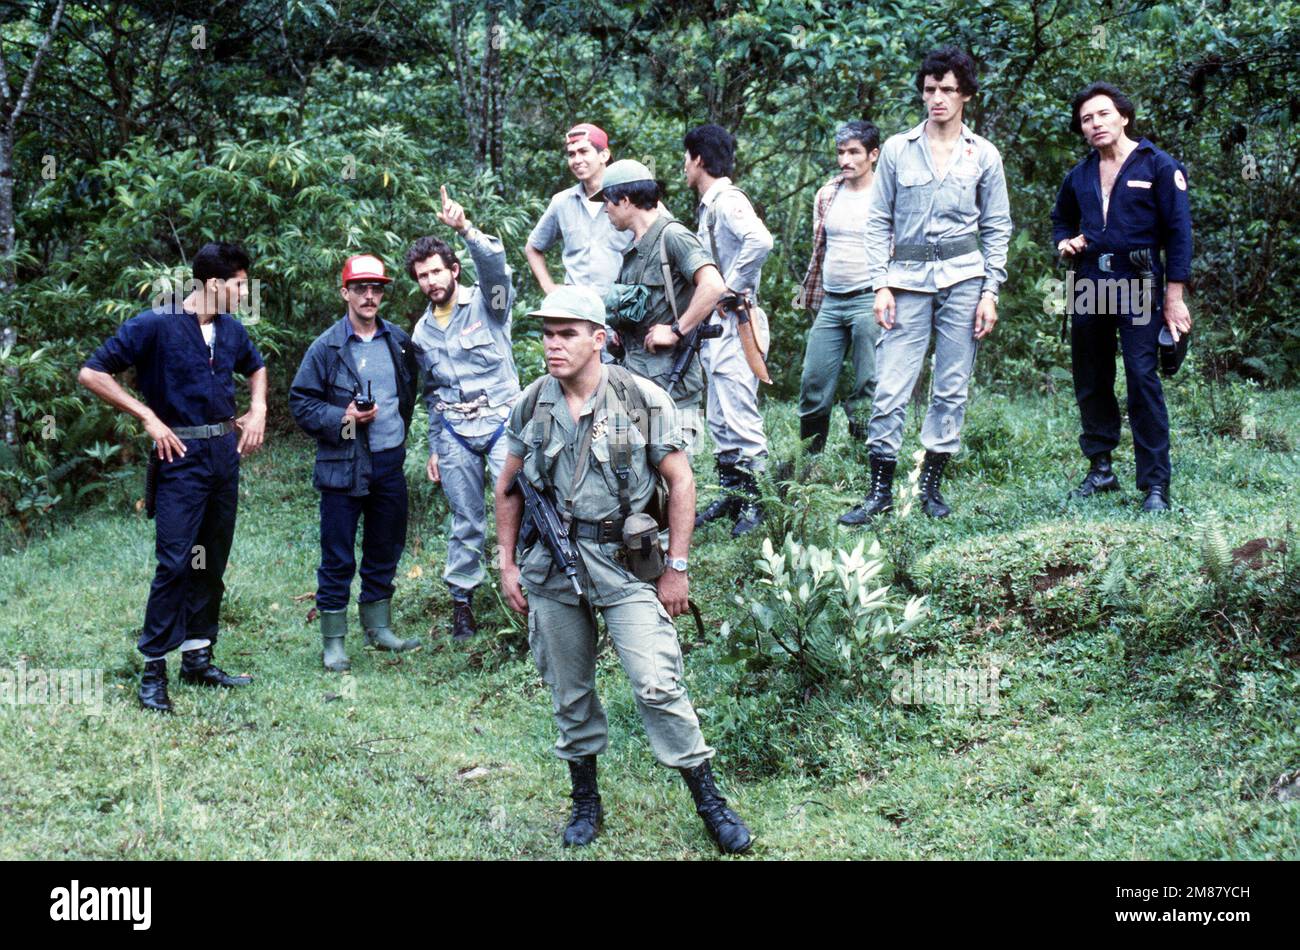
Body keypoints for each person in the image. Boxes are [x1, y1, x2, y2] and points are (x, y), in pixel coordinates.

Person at [494, 285, 753, 855]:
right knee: (568, 689)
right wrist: (507, 562)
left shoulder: (641, 397)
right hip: (553, 567)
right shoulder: (532, 401)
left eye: (567, 333)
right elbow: (509, 486)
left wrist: (677, 566)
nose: (553, 345)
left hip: (627, 564)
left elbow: (682, 481)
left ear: (599, 339)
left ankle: (708, 799)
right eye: (547, 333)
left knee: (656, 682)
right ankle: (586, 799)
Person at [78, 242, 267, 712]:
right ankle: (153, 669)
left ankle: (198, 658)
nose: (244, 293)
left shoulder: (230, 330)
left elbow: (256, 366)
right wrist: (147, 416)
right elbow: (92, 372)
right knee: (176, 563)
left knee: (211, 560)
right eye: (240, 284)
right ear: (215, 284)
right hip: (178, 456)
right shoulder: (156, 324)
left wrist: (257, 407)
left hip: (223, 456)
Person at [842, 46, 1012, 524]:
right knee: (891, 385)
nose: (937, 98)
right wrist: (880, 284)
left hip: (964, 278)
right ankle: (878, 491)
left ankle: (930, 488)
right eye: (930, 89)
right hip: (907, 281)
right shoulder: (897, 148)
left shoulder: (984, 155)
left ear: (966, 96)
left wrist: (990, 291)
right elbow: (878, 221)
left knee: (951, 386)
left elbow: (998, 226)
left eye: (948, 90)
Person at [1051, 81, 1193, 512]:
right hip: (1091, 281)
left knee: (1141, 379)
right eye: (1086, 120)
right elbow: (1061, 220)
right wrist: (1065, 243)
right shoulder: (1079, 174)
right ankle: (1101, 468)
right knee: (1091, 377)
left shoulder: (1159, 166)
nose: (1095, 124)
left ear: (1123, 116)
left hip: (1139, 281)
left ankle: (1155, 486)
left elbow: (1179, 234)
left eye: (1103, 114)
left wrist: (1174, 297)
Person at [289, 253, 422, 671]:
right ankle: (333, 641)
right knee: (338, 553)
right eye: (361, 288)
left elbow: (410, 393)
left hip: (389, 463)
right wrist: (343, 419)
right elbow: (301, 403)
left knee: (385, 545)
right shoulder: (327, 347)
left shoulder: (398, 341)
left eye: (376, 288)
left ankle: (378, 627)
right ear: (345, 292)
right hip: (342, 465)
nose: (369, 296)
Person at [409, 186, 520, 641]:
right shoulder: (420, 333)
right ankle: (462, 602)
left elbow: (497, 268)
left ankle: (531, 586)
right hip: (455, 430)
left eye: (437, 271)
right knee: (466, 517)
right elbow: (432, 394)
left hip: (501, 423)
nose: (432, 281)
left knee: (522, 502)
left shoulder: (489, 306)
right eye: (422, 276)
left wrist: (466, 229)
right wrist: (436, 445)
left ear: (454, 270)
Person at [594, 159, 727, 450]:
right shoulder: (634, 249)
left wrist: (677, 330)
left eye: (608, 202)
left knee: (676, 480)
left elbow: (714, 285)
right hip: (633, 384)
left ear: (626, 201)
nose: (606, 210)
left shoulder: (672, 236)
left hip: (672, 388)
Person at [683, 123, 774, 537]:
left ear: (699, 159)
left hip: (737, 319)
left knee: (740, 415)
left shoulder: (727, 199)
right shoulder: (709, 204)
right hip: (717, 325)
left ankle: (758, 503)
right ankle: (732, 495)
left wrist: (729, 286)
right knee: (720, 417)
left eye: (686, 158)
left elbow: (761, 241)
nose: (684, 167)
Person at [794, 120, 883, 454]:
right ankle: (809, 460)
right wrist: (807, 295)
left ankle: (863, 457)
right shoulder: (827, 193)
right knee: (813, 380)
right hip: (831, 300)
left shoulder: (886, 195)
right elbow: (819, 251)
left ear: (873, 154)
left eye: (854, 152)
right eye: (841, 152)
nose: (846, 159)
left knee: (868, 382)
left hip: (870, 298)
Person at [524, 123, 631, 295]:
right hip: (576, 311)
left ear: (604, 155)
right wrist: (549, 287)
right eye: (571, 154)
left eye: (584, 151)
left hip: (621, 310)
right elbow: (533, 247)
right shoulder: (562, 202)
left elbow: (663, 235)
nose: (577, 160)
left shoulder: (629, 198)